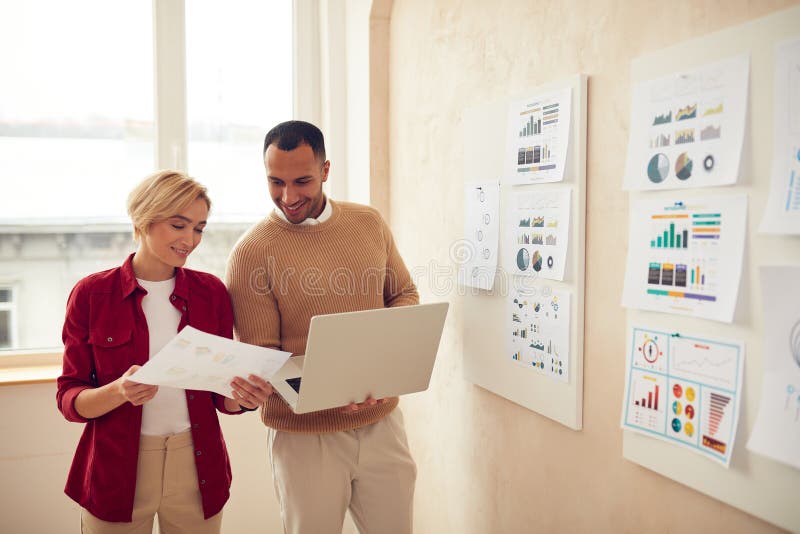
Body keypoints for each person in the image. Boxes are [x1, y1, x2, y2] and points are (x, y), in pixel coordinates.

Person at [225, 120, 419, 534]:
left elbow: (403, 294)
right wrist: (335, 392)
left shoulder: (368, 222)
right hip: (304, 440)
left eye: (302, 181)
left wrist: (382, 374)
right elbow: (264, 358)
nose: (288, 196)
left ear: (326, 170)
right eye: (275, 182)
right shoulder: (251, 253)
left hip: (382, 425)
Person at [56, 170, 272, 534]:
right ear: (144, 220)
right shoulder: (92, 294)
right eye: (178, 225)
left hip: (197, 468)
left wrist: (244, 398)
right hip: (116, 470)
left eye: (199, 228)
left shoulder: (212, 293)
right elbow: (69, 400)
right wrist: (118, 391)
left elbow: (221, 396)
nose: (190, 239)